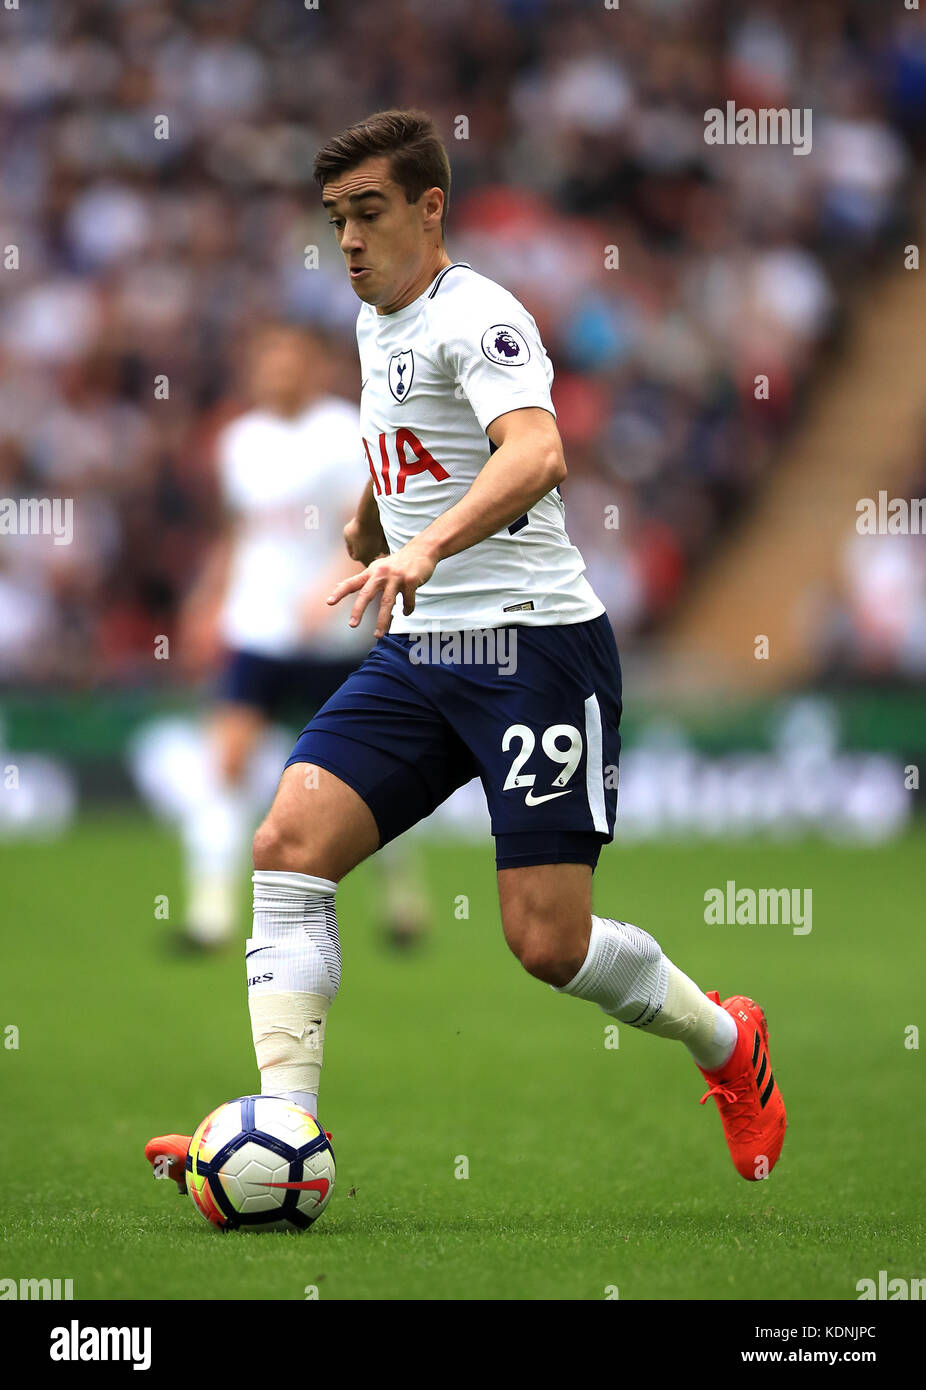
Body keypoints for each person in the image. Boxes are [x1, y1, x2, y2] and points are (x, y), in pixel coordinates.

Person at [147, 109, 785, 1197]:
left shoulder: (478, 313)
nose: (345, 240)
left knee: (545, 941)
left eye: (368, 214)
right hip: (420, 650)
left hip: (533, 650)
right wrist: (371, 518)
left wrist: (424, 544)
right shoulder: (372, 321)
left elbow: (533, 453)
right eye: (334, 220)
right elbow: (407, 435)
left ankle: (726, 1044)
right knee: (288, 843)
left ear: (429, 208)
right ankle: (284, 1135)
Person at [173, 322, 428, 951]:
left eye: (290, 360)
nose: (278, 372)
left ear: (311, 367)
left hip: (330, 634)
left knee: (363, 773)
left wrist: (337, 583)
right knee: (227, 761)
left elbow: (372, 527)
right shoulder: (239, 441)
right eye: (268, 360)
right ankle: (210, 917)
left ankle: (402, 897)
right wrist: (208, 600)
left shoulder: (341, 433)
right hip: (256, 628)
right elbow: (239, 535)